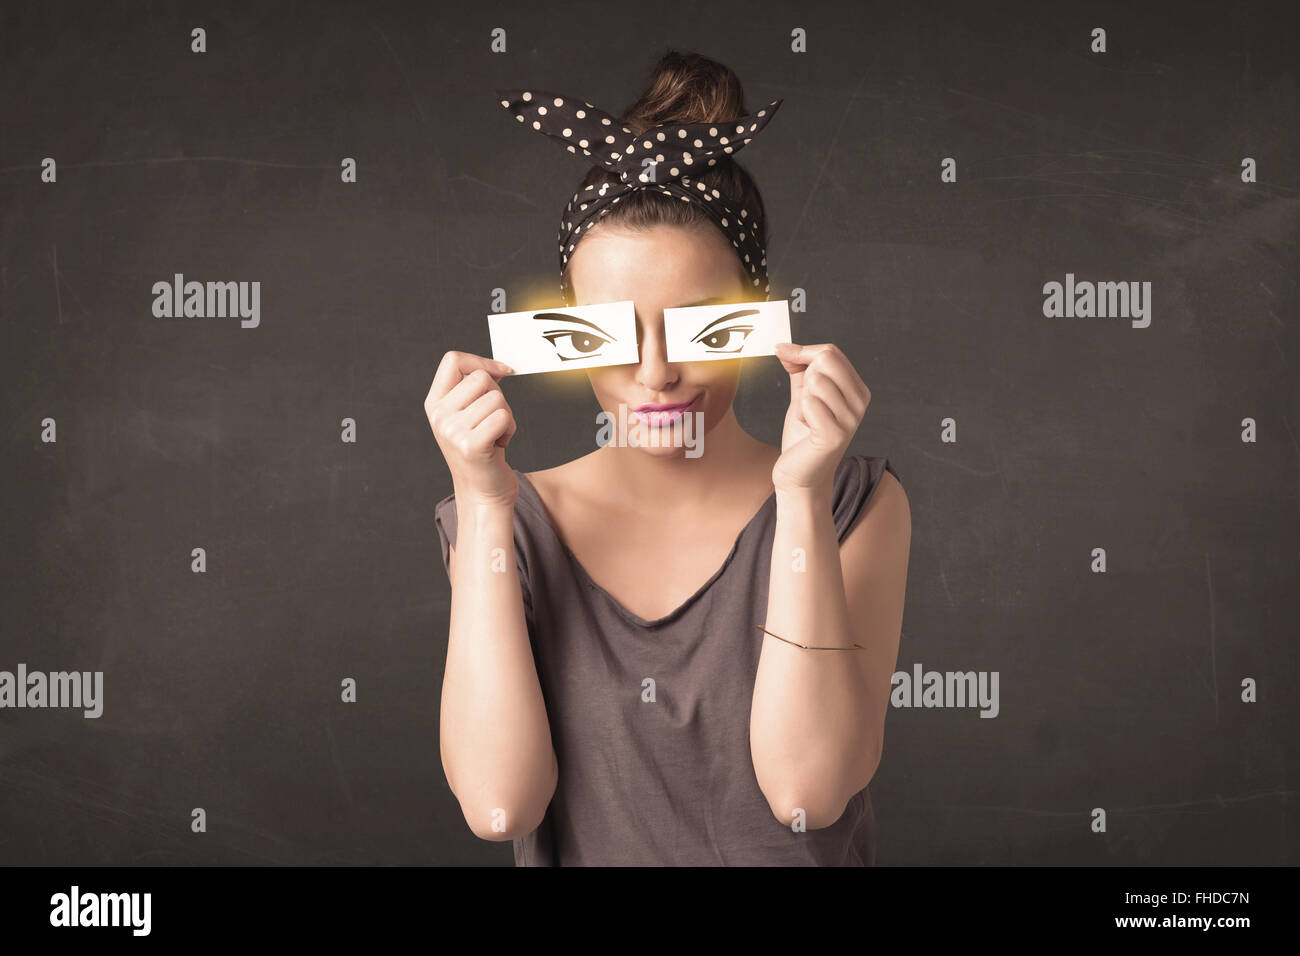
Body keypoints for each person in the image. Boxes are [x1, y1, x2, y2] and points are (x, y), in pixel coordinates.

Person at [424, 50, 911, 865]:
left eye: (698, 327)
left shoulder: (854, 504)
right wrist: (481, 506)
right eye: (611, 332)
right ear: (567, 333)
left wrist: (798, 495)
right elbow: (500, 802)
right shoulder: (504, 520)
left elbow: (807, 792)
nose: (654, 375)